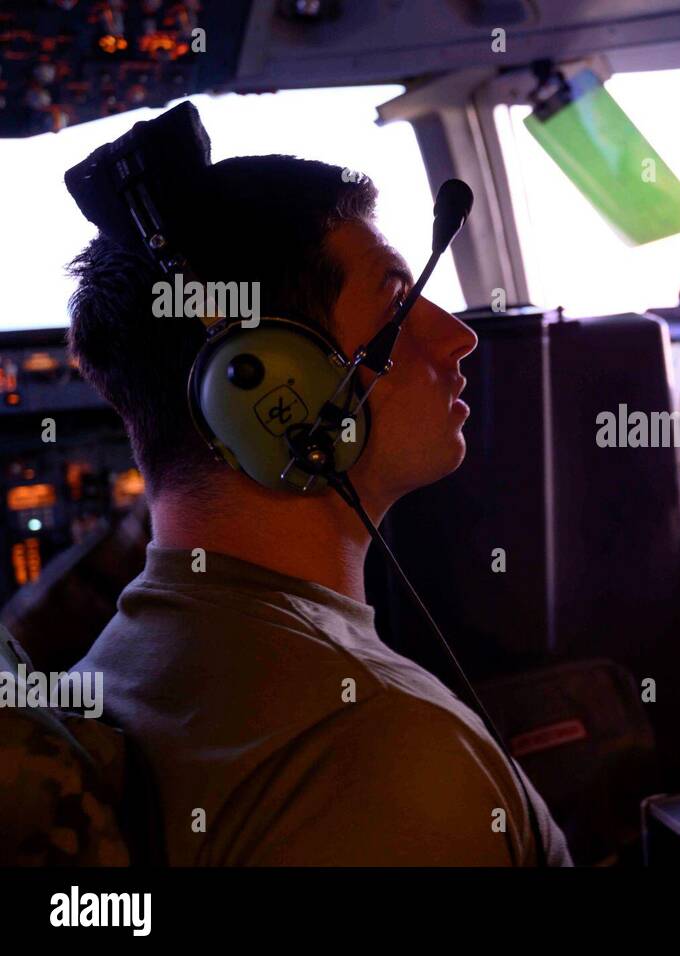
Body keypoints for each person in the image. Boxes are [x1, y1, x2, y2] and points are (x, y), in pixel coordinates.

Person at [65, 140, 571, 865]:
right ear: (272, 391)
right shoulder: (383, 755)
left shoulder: (121, 659)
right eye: (397, 305)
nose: (459, 338)